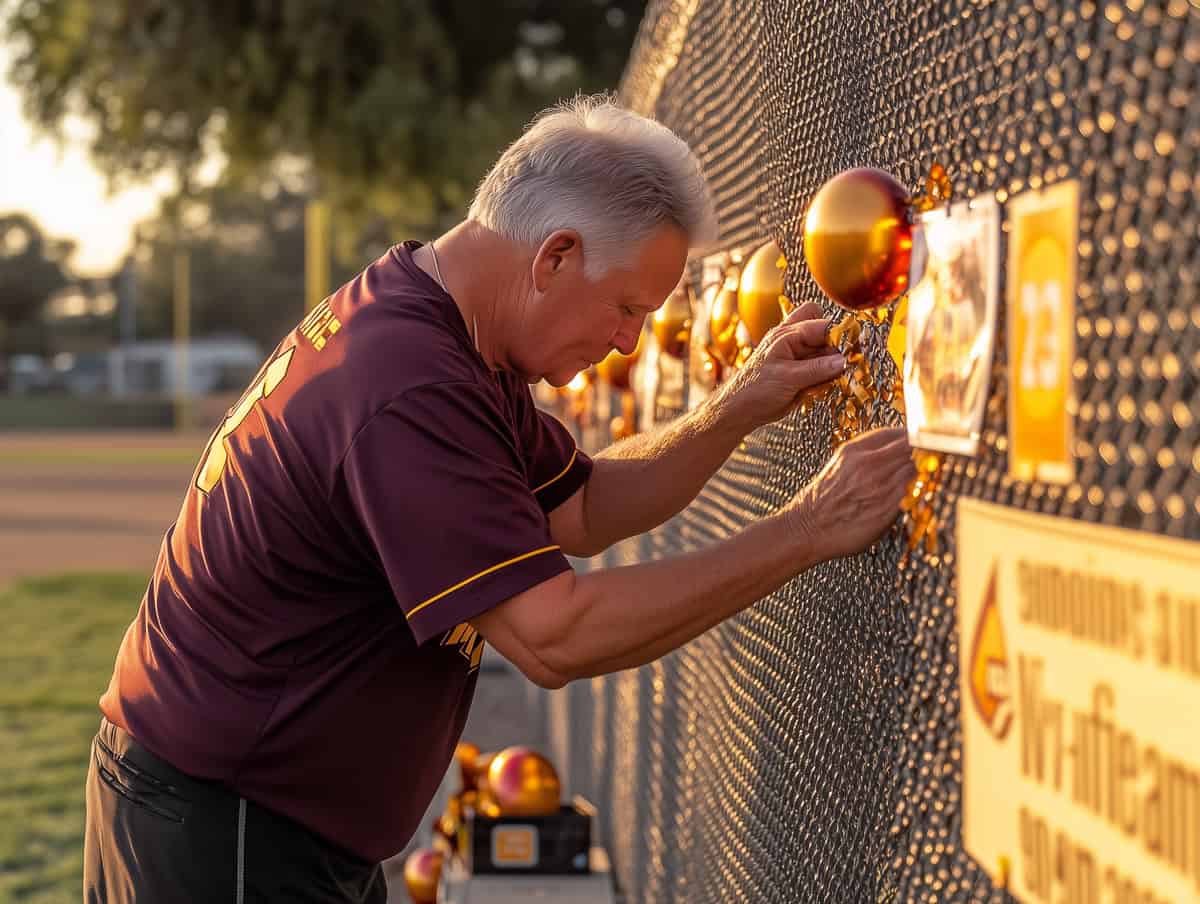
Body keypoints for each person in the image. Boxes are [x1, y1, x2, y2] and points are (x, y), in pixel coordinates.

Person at [83, 94, 916, 903]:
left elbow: (582, 510)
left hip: (265, 818)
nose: (630, 340)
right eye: (627, 306)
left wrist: (735, 406)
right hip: (226, 823)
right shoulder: (410, 382)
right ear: (554, 256)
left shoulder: (446, 327)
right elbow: (553, 637)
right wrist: (809, 529)